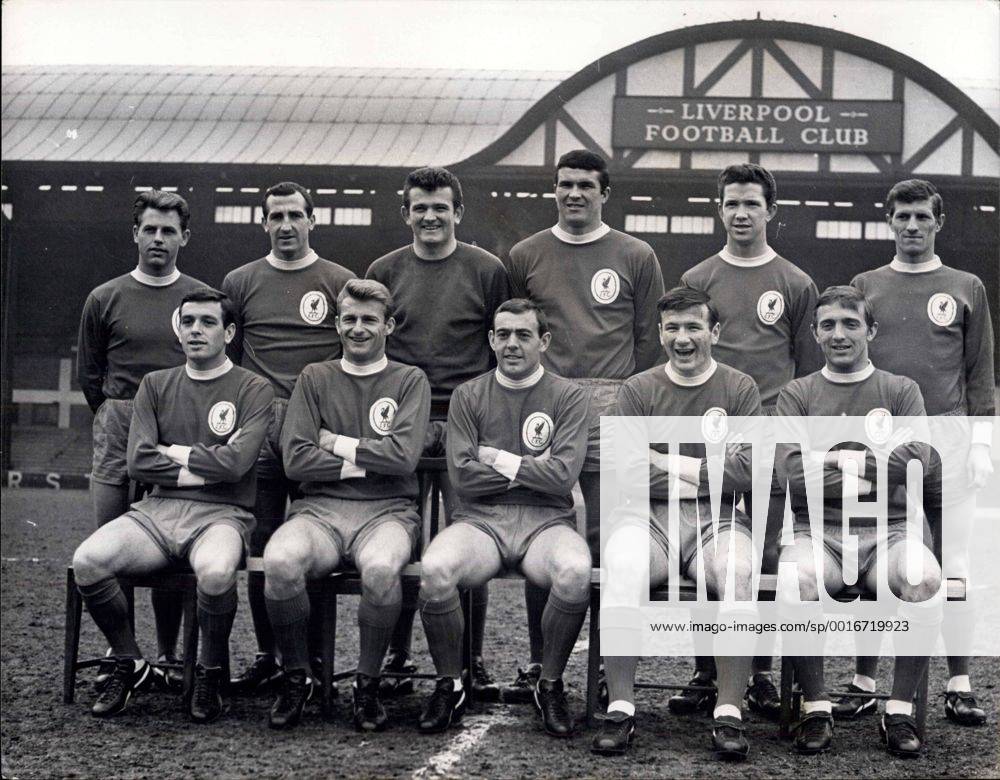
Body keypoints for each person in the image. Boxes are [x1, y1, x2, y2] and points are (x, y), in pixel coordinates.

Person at [71, 288, 273, 722]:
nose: (196, 330)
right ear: (178, 331)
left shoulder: (254, 388)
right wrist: (209, 459)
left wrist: (173, 451)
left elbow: (239, 465)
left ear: (229, 331)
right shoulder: (156, 384)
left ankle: (210, 673)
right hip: (159, 511)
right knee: (88, 561)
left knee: (217, 574)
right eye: (188, 322)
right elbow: (138, 460)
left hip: (223, 514)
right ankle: (130, 662)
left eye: (208, 322)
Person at [508, 149, 664, 698]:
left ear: (605, 193)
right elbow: (517, 332)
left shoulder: (635, 253)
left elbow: (649, 338)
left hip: (610, 396)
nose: (574, 193)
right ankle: (536, 661)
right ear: (554, 189)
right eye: (565, 184)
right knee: (540, 529)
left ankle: (605, 663)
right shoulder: (526, 253)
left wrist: (624, 400)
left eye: (585, 185)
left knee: (606, 533)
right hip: (542, 397)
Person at [845, 179, 995, 726]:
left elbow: (981, 371)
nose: (911, 226)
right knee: (874, 555)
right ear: (889, 220)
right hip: (883, 440)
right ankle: (863, 677)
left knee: (952, 563)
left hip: (949, 438)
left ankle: (959, 681)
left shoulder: (966, 286)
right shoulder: (866, 285)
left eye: (921, 217)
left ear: (939, 223)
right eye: (902, 216)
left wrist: (982, 444)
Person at [677, 163, 821, 720]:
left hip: (767, 440)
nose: (741, 213)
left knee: (760, 555)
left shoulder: (795, 282)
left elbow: (807, 374)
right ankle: (704, 671)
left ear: (770, 211)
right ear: (720, 209)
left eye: (752, 204)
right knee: (705, 549)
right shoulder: (697, 279)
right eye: (731, 203)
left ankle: (758, 673)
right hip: (708, 434)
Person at [591, 287, 760, 761]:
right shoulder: (639, 389)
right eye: (672, 328)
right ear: (661, 333)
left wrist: (665, 463)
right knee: (622, 565)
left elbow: (748, 469)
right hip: (647, 517)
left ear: (715, 331)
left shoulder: (739, 387)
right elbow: (626, 469)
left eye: (693, 327)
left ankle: (728, 711)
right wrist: (710, 474)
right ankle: (621, 706)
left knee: (737, 573)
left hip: (718, 519)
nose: (682, 338)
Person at [776, 286, 941, 758]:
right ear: (814, 333)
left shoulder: (899, 389)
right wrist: (872, 464)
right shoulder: (799, 392)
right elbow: (790, 469)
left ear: (870, 330)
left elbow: (919, 460)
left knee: (924, 578)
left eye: (850, 324)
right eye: (827, 325)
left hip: (888, 530)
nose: (839, 334)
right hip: (818, 532)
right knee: (795, 580)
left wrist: (832, 460)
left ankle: (900, 709)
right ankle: (816, 706)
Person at [366, 166, 510, 701]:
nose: (430, 216)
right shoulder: (384, 269)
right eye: (419, 208)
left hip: (466, 420)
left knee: (468, 535)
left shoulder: (486, 269)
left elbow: (503, 344)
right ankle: (398, 655)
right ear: (406, 213)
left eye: (440, 207)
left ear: (457, 212)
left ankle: (470, 659)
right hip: (400, 419)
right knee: (399, 538)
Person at [415, 299, 591, 737]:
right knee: (436, 569)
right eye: (504, 334)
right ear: (492, 339)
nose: (512, 344)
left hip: (546, 523)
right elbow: (465, 480)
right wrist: (532, 467)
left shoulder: (568, 396)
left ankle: (547, 683)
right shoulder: (468, 395)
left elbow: (561, 477)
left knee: (574, 571)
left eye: (524, 335)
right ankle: (451, 683)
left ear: (543, 342)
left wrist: (495, 459)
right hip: (480, 522)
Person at [264, 279, 430, 731]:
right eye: (350, 319)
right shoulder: (315, 378)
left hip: (387, 511)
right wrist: (366, 461)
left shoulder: (409, 380)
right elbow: (296, 458)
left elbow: (403, 458)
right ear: (337, 323)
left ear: (388, 326)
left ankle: (367, 684)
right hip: (319, 511)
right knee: (279, 562)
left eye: (369, 320)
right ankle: (299, 678)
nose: (358, 328)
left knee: (379, 571)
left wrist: (334, 443)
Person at [222, 181, 356, 693]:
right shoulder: (240, 281)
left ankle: (315, 659)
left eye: (294, 216)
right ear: (263, 223)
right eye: (275, 216)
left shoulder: (338, 281)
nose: (285, 226)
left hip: (318, 427)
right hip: (260, 427)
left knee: (315, 542)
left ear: (312, 221)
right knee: (260, 542)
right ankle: (267, 654)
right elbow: (227, 361)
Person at [77, 190, 207, 687]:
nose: (158, 238)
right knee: (111, 546)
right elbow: (91, 375)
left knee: (170, 544)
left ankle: (169, 656)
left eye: (168, 230)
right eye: (150, 229)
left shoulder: (198, 298)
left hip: (177, 429)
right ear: (135, 233)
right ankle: (124, 656)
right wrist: (121, 414)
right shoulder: (104, 297)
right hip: (118, 426)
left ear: (184, 238)